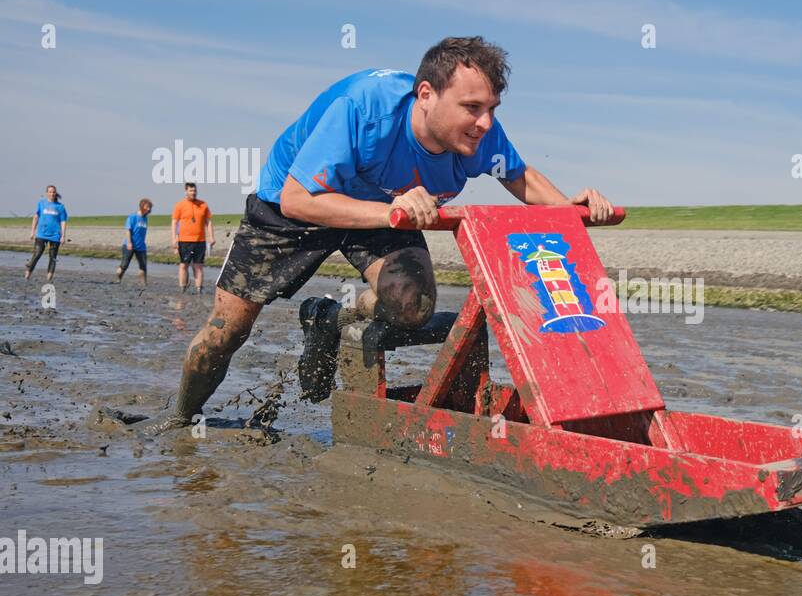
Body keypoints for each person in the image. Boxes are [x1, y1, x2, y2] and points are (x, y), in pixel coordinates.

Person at [140, 37, 614, 435]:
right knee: (227, 331)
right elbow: (296, 199)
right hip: (300, 203)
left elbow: (518, 177)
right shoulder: (362, 109)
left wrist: (570, 209)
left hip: (389, 207)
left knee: (413, 306)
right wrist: (391, 209)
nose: (485, 122)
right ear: (426, 94)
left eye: (491, 108)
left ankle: (329, 318)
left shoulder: (479, 134)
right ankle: (182, 418)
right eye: (472, 107)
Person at [172, 182, 214, 293]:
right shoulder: (180, 205)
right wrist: (174, 239)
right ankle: (182, 288)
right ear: (186, 191)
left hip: (200, 241)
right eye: (191, 190)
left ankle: (199, 289)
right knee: (183, 265)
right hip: (184, 240)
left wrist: (211, 236)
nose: (193, 193)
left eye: (194, 190)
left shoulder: (203, 205)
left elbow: (208, 222)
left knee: (198, 266)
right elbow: (174, 223)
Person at [25, 185, 68, 281]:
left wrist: (63, 236)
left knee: (53, 257)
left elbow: (63, 221)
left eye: (53, 192)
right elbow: (36, 217)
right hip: (41, 234)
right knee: (37, 253)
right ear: (47, 193)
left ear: (55, 193)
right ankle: (28, 272)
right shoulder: (41, 203)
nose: (52, 193)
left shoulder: (60, 207)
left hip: (55, 235)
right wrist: (32, 232)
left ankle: (49, 278)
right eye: (50, 192)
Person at [116, 198, 152, 285]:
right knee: (124, 265)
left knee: (143, 266)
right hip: (130, 245)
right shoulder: (132, 217)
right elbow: (128, 230)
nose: (149, 209)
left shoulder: (145, 218)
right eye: (147, 207)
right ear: (142, 206)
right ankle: (118, 279)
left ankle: (144, 284)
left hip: (141, 246)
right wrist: (129, 242)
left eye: (150, 207)